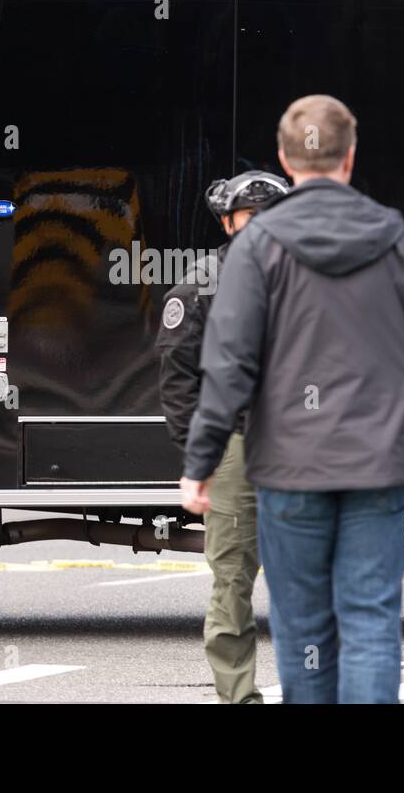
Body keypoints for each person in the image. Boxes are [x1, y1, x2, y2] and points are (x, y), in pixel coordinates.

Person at [180, 95, 404, 704]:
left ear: (287, 161)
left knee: (304, 625)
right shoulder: (396, 239)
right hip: (379, 464)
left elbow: (229, 365)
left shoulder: (255, 249)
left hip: (290, 467)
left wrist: (202, 459)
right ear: (350, 156)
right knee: (370, 621)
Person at [156, 169, 290, 705]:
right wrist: (199, 456)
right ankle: (238, 697)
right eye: (251, 218)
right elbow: (179, 378)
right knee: (233, 576)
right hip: (234, 445)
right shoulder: (201, 284)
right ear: (230, 222)